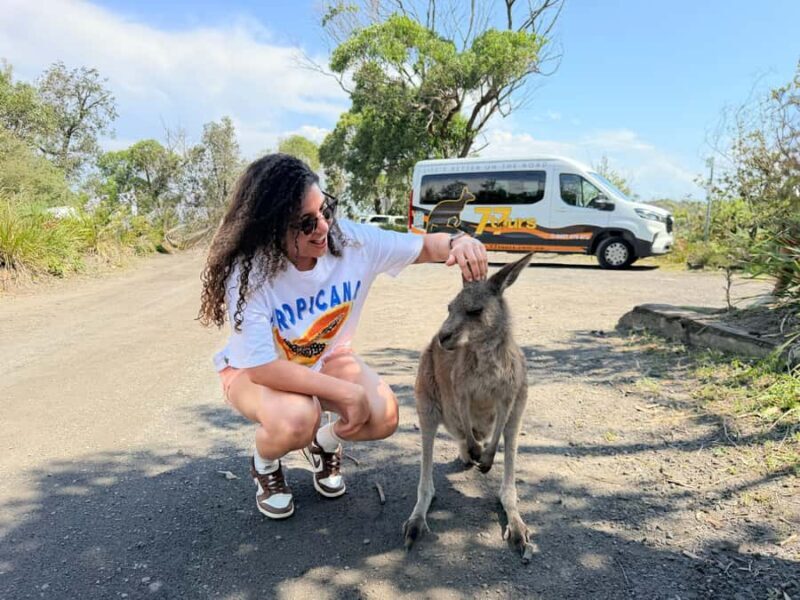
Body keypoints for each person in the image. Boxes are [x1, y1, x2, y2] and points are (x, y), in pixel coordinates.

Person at [198, 153, 488, 519]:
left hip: (324, 360)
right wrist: (345, 393)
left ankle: (325, 445)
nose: (322, 227)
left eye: (325, 210)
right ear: (271, 229)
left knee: (383, 415)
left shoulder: (350, 241)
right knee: (299, 418)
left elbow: (427, 246)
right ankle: (265, 463)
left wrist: (460, 242)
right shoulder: (250, 273)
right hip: (253, 373)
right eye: (305, 223)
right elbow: (262, 368)